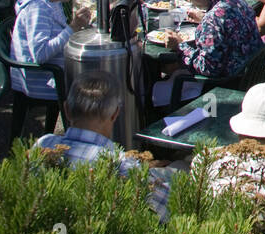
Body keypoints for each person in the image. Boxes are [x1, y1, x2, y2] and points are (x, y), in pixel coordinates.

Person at [36, 71, 171, 222]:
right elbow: (172, 207)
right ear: (115, 114)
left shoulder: (42, 145)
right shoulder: (121, 165)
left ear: (66, 110)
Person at [11, 0, 93, 104]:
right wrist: (73, 27)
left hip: (55, 73)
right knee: (101, 86)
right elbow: (40, 54)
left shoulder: (52, 1)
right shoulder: (37, 8)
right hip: (43, 80)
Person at [163, 0, 261, 78]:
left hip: (231, 81)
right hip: (250, 71)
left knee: (169, 72)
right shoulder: (238, 1)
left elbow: (207, 68)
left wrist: (179, 46)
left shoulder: (212, 20)